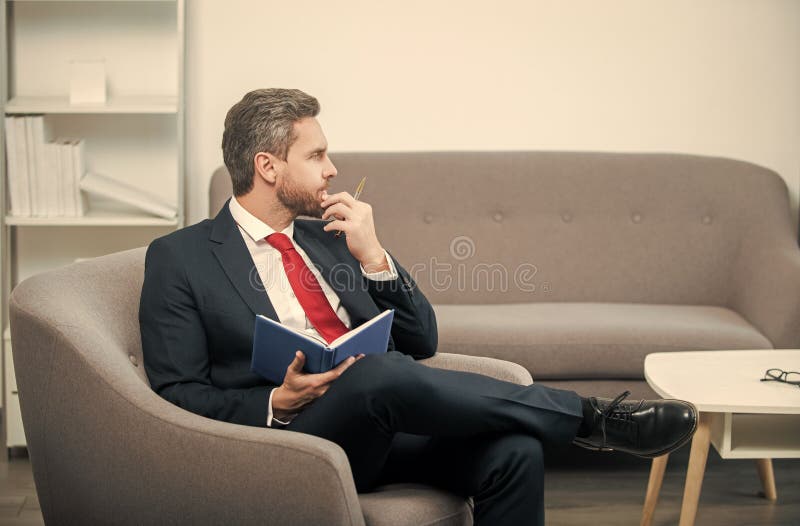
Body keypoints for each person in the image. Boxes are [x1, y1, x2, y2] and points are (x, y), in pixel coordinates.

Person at [140, 88, 697, 526]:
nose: (332, 169)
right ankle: (590, 418)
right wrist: (278, 402)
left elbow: (421, 339)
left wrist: (375, 255)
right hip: (291, 445)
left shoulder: (330, 237)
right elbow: (177, 394)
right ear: (268, 166)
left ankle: (577, 421)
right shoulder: (181, 258)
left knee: (515, 450)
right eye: (317, 155)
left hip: (381, 424)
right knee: (379, 373)